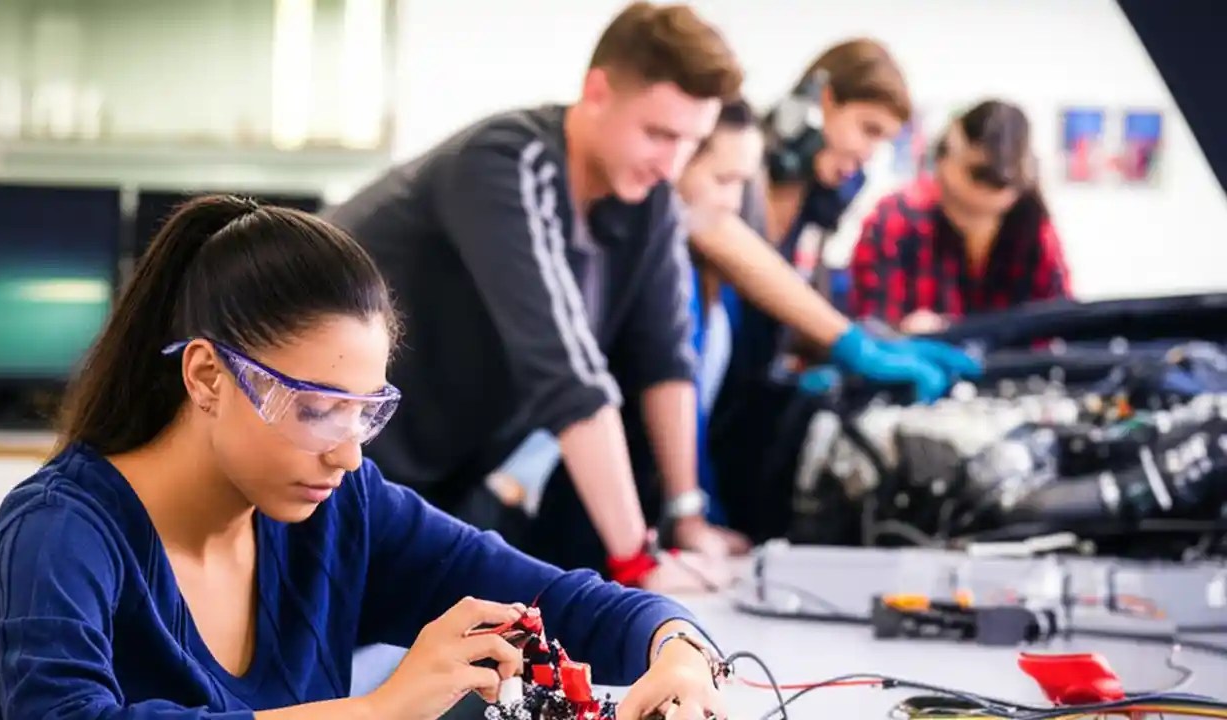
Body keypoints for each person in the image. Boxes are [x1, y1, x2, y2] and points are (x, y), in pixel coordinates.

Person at [0, 196, 726, 720]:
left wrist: (681, 653)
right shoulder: (55, 539)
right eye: (318, 410)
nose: (349, 454)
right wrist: (379, 709)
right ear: (207, 377)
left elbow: (578, 604)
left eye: (366, 413)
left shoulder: (341, 509)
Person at [325, 1, 748, 583]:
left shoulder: (646, 200)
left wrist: (686, 516)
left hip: (439, 486)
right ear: (596, 92)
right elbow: (565, 374)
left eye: (691, 144)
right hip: (338, 470)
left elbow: (666, 362)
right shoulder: (504, 162)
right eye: (658, 133)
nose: (671, 165)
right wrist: (635, 561)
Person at [694, 40, 982, 540]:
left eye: (883, 141)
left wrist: (882, 344)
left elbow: (788, 312)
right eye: (867, 129)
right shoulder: (733, 174)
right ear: (820, 101)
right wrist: (852, 343)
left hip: (738, 434)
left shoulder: (814, 205)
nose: (867, 154)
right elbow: (729, 249)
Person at [850, 99, 1074, 333]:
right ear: (943, 158)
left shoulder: (1035, 229)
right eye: (965, 208)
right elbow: (872, 334)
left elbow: (1060, 327)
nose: (976, 223)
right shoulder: (895, 220)